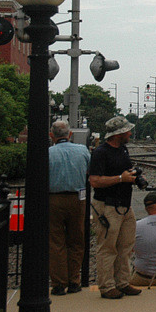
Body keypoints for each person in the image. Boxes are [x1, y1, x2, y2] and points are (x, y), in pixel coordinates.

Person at [88, 116, 141, 299]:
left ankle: (123, 282)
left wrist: (132, 177)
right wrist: (120, 179)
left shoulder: (123, 150)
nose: (130, 133)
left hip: (124, 205)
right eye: (127, 130)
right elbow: (94, 181)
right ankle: (107, 285)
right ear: (118, 134)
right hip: (107, 206)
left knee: (125, 245)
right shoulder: (100, 153)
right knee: (107, 246)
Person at [48, 120, 90, 295]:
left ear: (52, 136)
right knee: (76, 240)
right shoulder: (82, 151)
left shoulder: (48, 153)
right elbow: (89, 172)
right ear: (70, 134)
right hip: (77, 199)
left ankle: (58, 284)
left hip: (54, 199)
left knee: (56, 242)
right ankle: (74, 280)